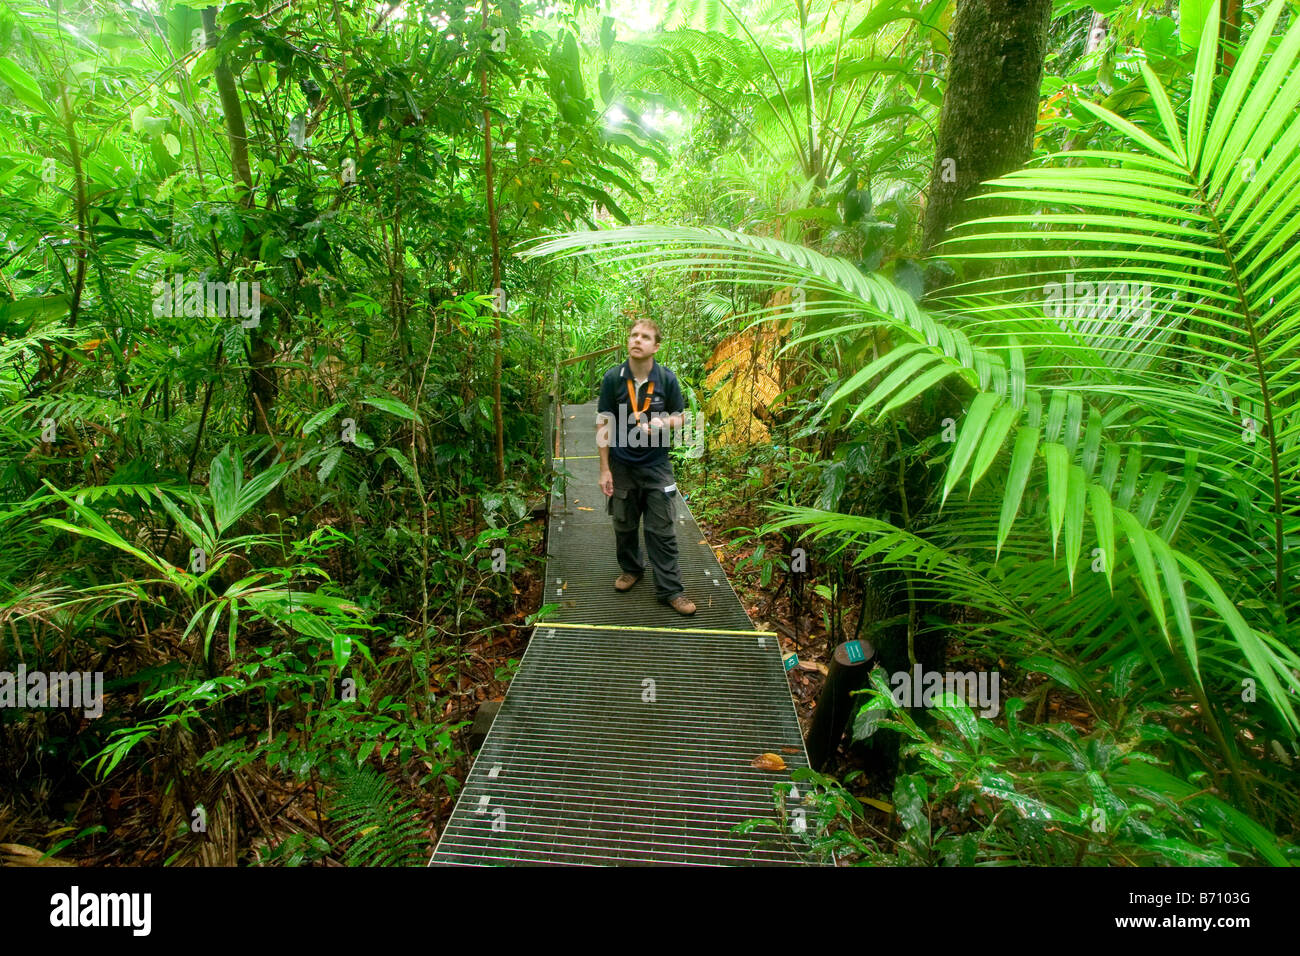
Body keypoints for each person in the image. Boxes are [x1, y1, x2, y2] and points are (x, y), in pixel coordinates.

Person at [596, 319, 697, 615]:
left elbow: (682, 417)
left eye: (645, 337)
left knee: (662, 529)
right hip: (622, 464)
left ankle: (671, 590)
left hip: (656, 465)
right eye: (633, 335)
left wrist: (664, 422)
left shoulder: (666, 379)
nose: (637, 340)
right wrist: (604, 469)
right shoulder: (613, 378)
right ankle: (631, 569)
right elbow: (603, 422)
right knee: (624, 524)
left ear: (656, 346)